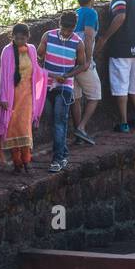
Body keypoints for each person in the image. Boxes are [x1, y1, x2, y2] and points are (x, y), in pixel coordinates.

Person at [95, 0, 135, 133]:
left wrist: (105, 37)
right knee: (134, 84)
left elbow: (120, 15)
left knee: (120, 85)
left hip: (122, 47)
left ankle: (123, 121)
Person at [0, 23, 47, 173]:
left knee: (25, 129)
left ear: (28, 37)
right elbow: (4, 77)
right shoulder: (7, 51)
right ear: (12, 37)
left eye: (22, 38)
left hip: (27, 96)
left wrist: (45, 79)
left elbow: (35, 70)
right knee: (12, 129)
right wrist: (3, 97)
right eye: (17, 38)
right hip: (12, 96)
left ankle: (27, 161)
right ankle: (17, 162)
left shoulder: (31, 49)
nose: (19, 41)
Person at [37, 11, 86, 172]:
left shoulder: (78, 42)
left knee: (59, 120)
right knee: (53, 120)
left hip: (65, 85)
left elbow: (83, 64)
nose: (66, 32)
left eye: (70, 30)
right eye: (64, 29)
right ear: (59, 25)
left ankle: (56, 159)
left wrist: (67, 75)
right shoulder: (48, 36)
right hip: (47, 85)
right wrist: (51, 75)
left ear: (74, 27)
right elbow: (38, 59)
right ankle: (64, 153)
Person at [70, 0, 102, 145]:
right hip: (82, 60)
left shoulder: (76, 13)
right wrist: (88, 60)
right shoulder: (91, 13)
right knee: (95, 94)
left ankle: (78, 133)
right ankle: (81, 128)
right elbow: (88, 37)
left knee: (76, 98)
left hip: (70, 62)